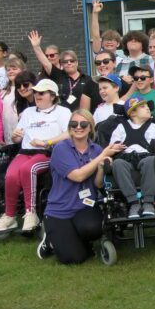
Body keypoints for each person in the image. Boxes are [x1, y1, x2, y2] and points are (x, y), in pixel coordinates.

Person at [40, 110, 124, 264]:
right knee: (74, 258)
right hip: (60, 210)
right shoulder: (61, 149)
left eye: (83, 124)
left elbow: (97, 184)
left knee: (94, 229)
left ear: (90, 127)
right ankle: (50, 239)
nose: (78, 127)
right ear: (69, 127)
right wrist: (102, 156)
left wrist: (101, 167)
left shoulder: (96, 149)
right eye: (74, 124)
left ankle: (75, 239)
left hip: (85, 206)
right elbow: (77, 176)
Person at [0, 80, 72, 234]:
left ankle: (31, 213)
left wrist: (47, 142)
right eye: (36, 92)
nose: (37, 95)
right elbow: (17, 139)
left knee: (28, 169)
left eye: (41, 93)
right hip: (25, 151)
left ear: (52, 96)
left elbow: (69, 133)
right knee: (11, 174)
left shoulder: (62, 112)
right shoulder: (28, 112)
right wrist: (15, 136)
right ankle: (9, 216)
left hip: (48, 152)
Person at [107, 97, 155, 219]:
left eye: (147, 106)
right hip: (126, 159)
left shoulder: (153, 127)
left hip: (147, 158)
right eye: (142, 106)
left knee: (149, 161)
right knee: (117, 163)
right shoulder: (121, 127)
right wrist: (114, 148)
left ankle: (148, 202)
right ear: (132, 113)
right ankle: (133, 202)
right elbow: (109, 149)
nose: (147, 108)